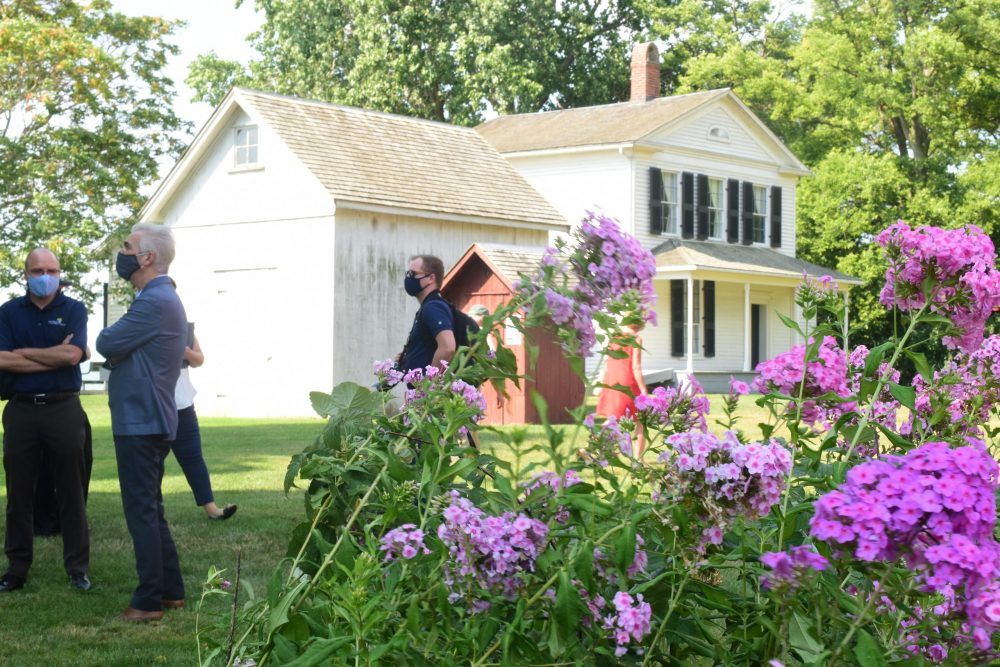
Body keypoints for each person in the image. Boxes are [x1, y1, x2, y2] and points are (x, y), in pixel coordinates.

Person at [96, 223, 187, 622]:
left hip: (142, 420)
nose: (123, 251)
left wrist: (117, 354)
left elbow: (106, 343)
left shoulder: (153, 301)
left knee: (141, 511)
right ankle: (171, 591)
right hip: (149, 417)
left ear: (147, 257)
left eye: (128, 246)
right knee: (151, 507)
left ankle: (148, 600)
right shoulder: (160, 297)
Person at [0, 249, 91, 593]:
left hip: (63, 408)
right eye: (38, 269)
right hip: (21, 410)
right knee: (19, 493)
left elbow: (72, 354)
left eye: (52, 269)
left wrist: (21, 352)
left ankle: (78, 568)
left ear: (59, 273)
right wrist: (55, 356)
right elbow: (1, 360)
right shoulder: (8, 312)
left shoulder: (74, 309)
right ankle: (17, 568)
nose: (45, 275)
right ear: (25, 274)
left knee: (71, 490)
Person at [172, 334, 236, 520]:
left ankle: (213, 510)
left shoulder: (184, 330)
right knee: (153, 463)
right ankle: (150, 514)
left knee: (193, 458)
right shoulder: (144, 324)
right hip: (155, 405)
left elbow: (199, 360)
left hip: (183, 404)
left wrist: (185, 352)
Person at [595, 323, 649, 456]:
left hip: (611, 381)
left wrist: (602, 383)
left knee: (613, 418)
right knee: (642, 420)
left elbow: (606, 363)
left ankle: (591, 447)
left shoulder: (613, 337)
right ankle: (638, 459)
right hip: (627, 382)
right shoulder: (636, 339)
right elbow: (636, 367)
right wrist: (643, 390)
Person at [400, 255, 456, 373]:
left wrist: (430, 384)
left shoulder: (433, 307)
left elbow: (448, 348)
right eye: (408, 273)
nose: (408, 278)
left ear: (431, 278)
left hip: (427, 390)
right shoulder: (428, 306)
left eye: (413, 274)